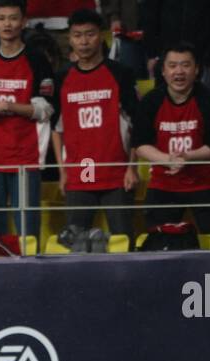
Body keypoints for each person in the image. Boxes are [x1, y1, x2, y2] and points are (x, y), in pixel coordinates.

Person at [51, 7, 139, 239]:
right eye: (77, 35)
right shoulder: (61, 79)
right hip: (78, 177)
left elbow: (136, 123)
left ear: (101, 36)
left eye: (89, 34)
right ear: (69, 39)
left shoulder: (121, 74)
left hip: (117, 175)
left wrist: (132, 167)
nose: (84, 41)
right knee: (77, 245)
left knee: (123, 242)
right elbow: (56, 129)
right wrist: (62, 171)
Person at [0, 0, 54, 240]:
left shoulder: (37, 60)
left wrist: (9, 106)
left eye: (13, 18)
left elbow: (46, 109)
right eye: (1, 18)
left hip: (25, 157)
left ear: (24, 22)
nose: (7, 24)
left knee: (27, 233)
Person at [133, 41, 210, 237]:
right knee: (159, 244)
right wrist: (168, 160)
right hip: (163, 184)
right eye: (173, 65)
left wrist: (187, 157)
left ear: (196, 70)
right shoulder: (150, 101)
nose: (179, 72)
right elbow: (140, 144)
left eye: (186, 65)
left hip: (206, 183)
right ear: (163, 71)